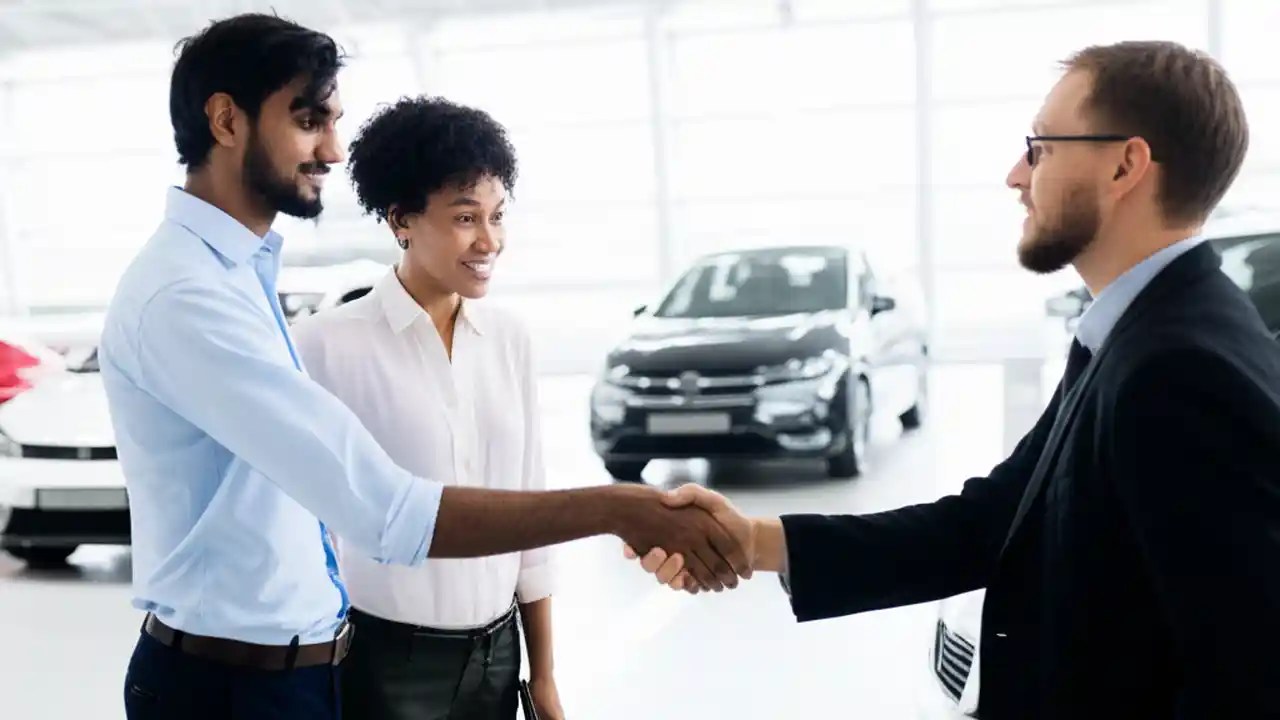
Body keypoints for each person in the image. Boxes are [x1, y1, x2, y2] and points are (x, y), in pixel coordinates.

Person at [98, 14, 748, 720]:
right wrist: (619, 509)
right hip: (234, 688)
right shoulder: (188, 297)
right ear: (226, 120)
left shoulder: (237, 276)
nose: (334, 149)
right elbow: (386, 511)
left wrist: (545, 666)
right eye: (310, 120)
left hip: (300, 672)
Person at [632, 40, 1280, 719]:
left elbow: (1246, 675)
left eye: (1042, 149)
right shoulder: (1141, 331)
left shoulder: (1179, 368)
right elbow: (990, 521)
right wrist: (754, 542)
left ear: (1126, 165)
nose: (1015, 175)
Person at [290, 97, 563, 719]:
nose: (488, 240)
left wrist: (543, 676)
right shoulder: (325, 345)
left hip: (500, 656)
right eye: (466, 218)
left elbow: (532, 522)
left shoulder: (510, 340)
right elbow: (309, 531)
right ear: (400, 220)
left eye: (497, 216)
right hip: (382, 660)